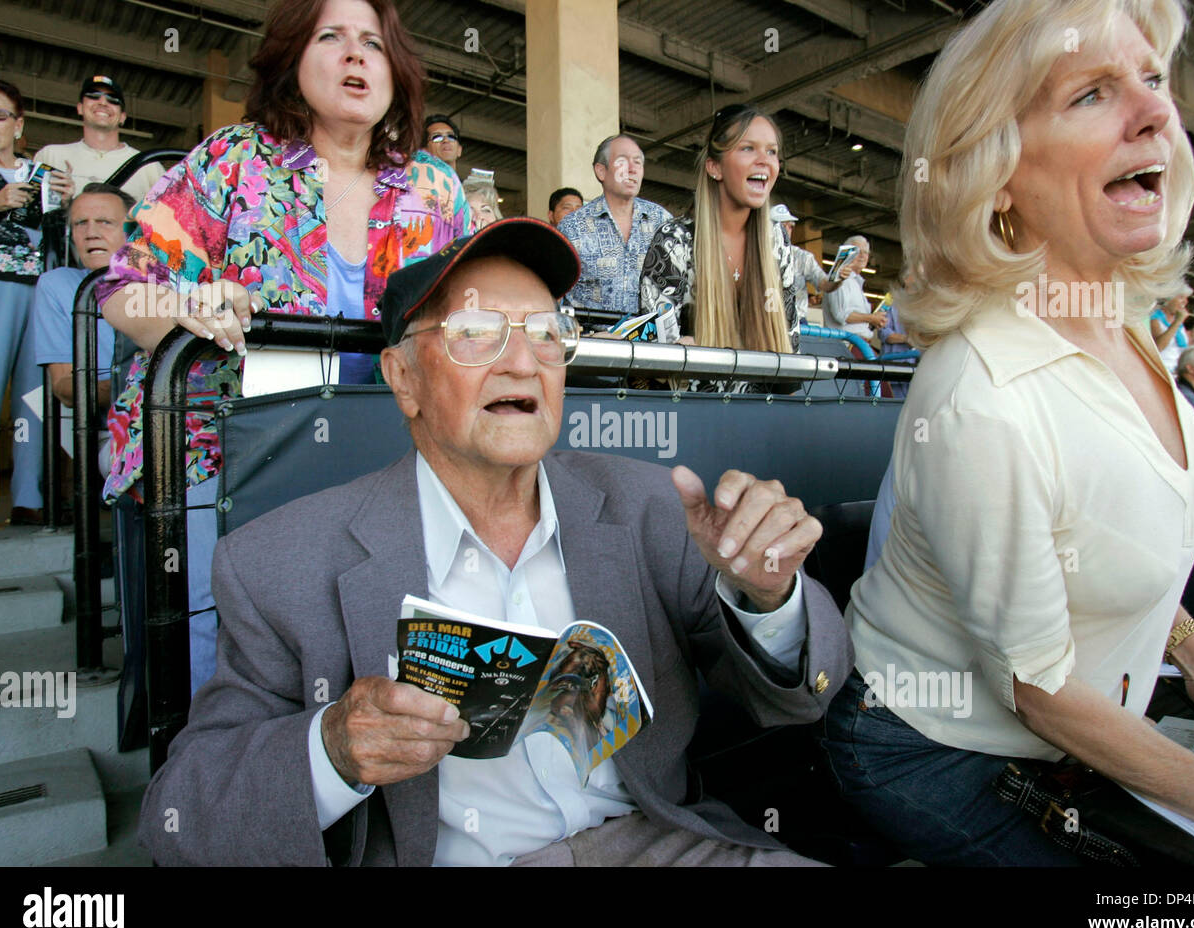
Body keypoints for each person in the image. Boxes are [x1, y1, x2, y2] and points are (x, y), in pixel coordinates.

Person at [136, 218, 850, 866]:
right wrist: (333, 746)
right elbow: (179, 817)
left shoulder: (649, 507)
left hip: (664, 844)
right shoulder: (280, 562)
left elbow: (805, 696)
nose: (522, 362)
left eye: (545, 331)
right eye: (477, 331)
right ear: (403, 378)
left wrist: (769, 594)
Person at [821, 0, 1194, 865]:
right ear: (996, 173)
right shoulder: (982, 393)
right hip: (930, 751)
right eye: (1092, 94)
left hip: (1081, 738)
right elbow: (1043, 688)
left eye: (1150, 79)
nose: (1155, 113)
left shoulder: (1125, 326)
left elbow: (1083, 544)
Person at [99, 0, 472, 694]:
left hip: (377, 455)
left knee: (369, 649)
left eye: (373, 43)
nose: (356, 54)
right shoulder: (233, 160)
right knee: (222, 660)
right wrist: (188, 308)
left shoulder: (433, 186)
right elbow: (124, 288)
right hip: (225, 452)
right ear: (294, 57)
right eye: (331, 37)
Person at [0, 75, 74, 535]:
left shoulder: (41, 174)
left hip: (40, 290)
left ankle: (31, 498)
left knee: (34, 399)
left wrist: (69, 204)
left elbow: (67, 238)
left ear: (18, 124)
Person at [638, 105, 802, 371]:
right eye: (748, 148)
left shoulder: (777, 240)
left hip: (764, 403)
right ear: (714, 167)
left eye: (772, 151)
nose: (765, 160)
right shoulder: (674, 241)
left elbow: (791, 347)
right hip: (692, 404)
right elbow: (653, 358)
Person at [33, 182, 135, 475]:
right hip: (113, 432)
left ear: (132, 231)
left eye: (104, 222)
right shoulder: (58, 284)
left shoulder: (160, 280)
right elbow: (64, 388)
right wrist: (136, 387)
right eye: (81, 223)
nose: (91, 232)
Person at [558, 134, 670, 315]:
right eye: (622, 161)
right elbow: (554, 297)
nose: (632, 169)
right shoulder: (573, 227)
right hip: (593, 340)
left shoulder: (662, 221)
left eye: (638, 162)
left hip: (652, 342)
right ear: (601, 171)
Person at [33, 76, 165, 208]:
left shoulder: (148, 165)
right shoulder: (50, 155)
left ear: (123, 117)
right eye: (93, 96)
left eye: (113, 100)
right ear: (80, 108)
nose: (103, 102)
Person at [770, 204, 837, 323]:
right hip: (765, 321)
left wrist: (838, 276)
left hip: (796, 321)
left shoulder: (802, 257)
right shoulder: (756, 256)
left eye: (790, 226)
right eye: (780, 226)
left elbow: (824, 284)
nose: (786, 230)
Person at [820, 234, 884, 341]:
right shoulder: (838, 276)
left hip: (857, 343)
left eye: (866, 252)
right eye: (858, 251)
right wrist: (872, 318)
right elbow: (841, 315)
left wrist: (873, 321)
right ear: (847, 253)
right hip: (845, 346)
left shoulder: (855, 281)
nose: (863, 256)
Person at [1148, 288, 1189, 373]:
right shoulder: (1155, 317)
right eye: (1181, 297)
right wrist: (1178, 321)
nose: (1185, 302)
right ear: (1168, 298)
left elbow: (1187, 349)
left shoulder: (1180, 324)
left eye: (1186, 298)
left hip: (1176, 371)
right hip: (1161, 370)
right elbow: (1158, 347)